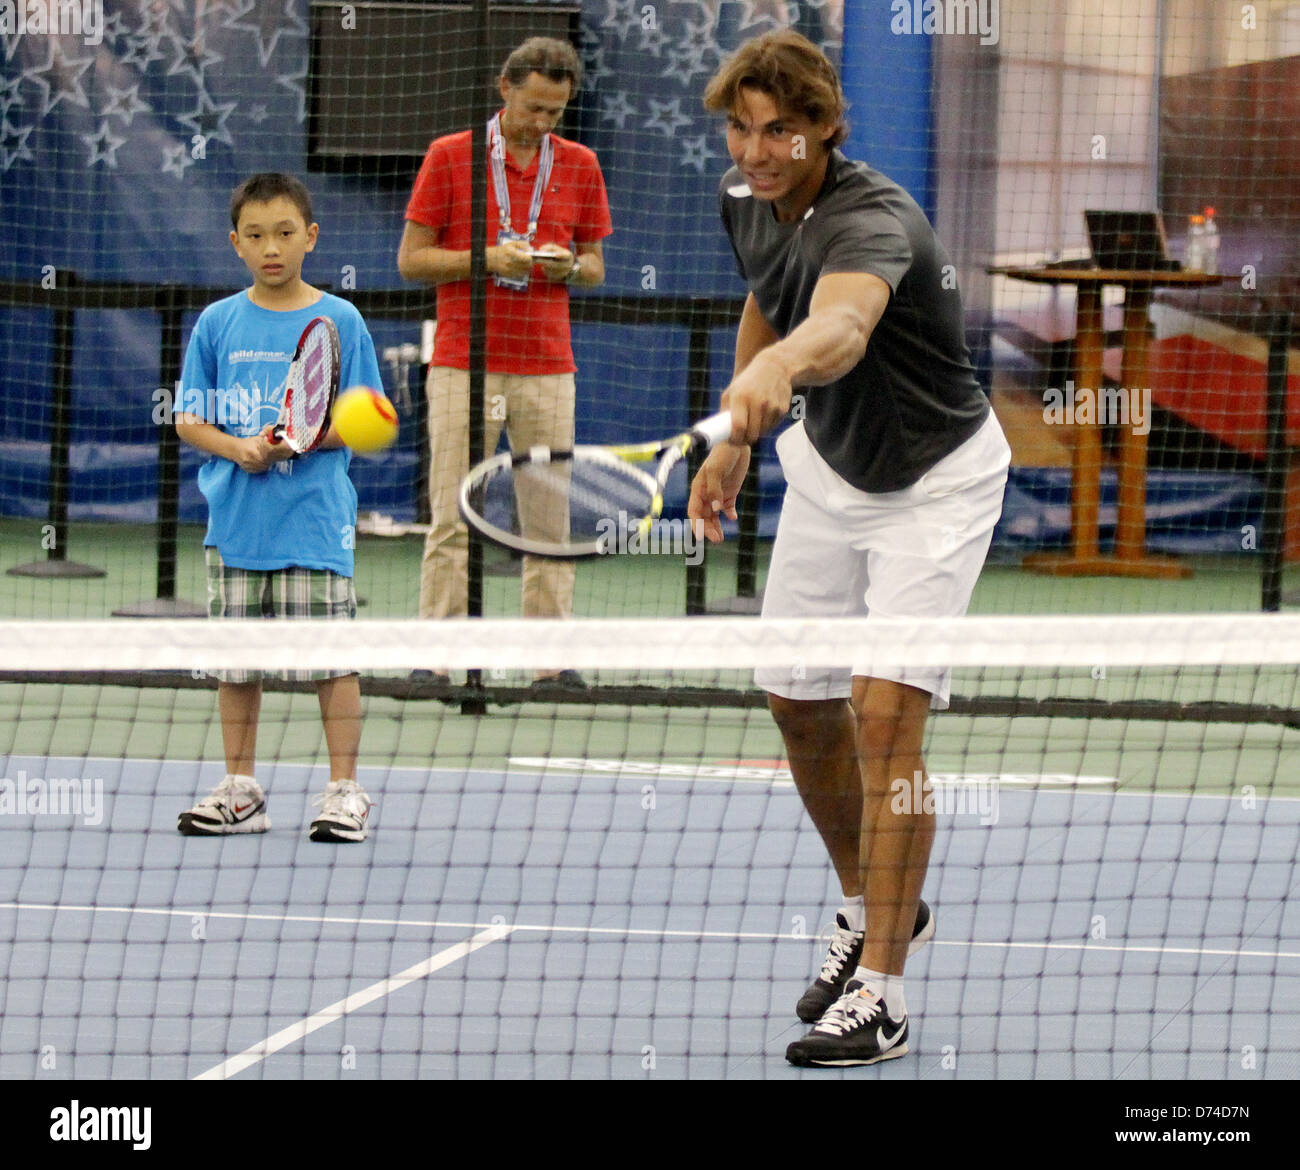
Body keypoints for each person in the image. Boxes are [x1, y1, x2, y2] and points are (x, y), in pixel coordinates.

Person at [688, 31, 1010, 1066]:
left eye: (780, 128)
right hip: (830, 468)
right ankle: (872, 907)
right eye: (741, 127)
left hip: (937, 479)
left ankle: (881, 990)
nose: (757, 149)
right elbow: (767, 294)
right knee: (794, 697)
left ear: (824, 125)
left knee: (883, 716)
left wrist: (784, 365)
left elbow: (840, 323)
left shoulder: (872, 218)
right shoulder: (744, 202)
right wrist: (737, 440)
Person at [175, 172, 384, 843]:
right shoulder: (216, 322)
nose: (273, 247)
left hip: (315, 521)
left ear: (311, 237)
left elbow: (370, 419)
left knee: (331, 660)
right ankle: (240, 789)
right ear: (236, 243)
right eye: (257, 235)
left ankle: (344, 791)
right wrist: (241, 450)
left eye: (286, 233)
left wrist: (304, 439)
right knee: (238, 665)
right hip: (236, 523)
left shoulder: (341, 320)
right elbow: (188, 419)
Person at [397, 36, 612, 686]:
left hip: (549, 365)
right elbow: (411, 260)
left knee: (548, 519)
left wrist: (563, 265)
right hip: (464, 359)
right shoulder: (450, 156)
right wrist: (490, 258)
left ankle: (548, 659)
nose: (543, 122)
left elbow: (596, 268)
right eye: (534, 107)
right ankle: (441, 655)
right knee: (452, 510)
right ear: (505, 88)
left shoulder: (579, 164)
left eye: (556, 112)